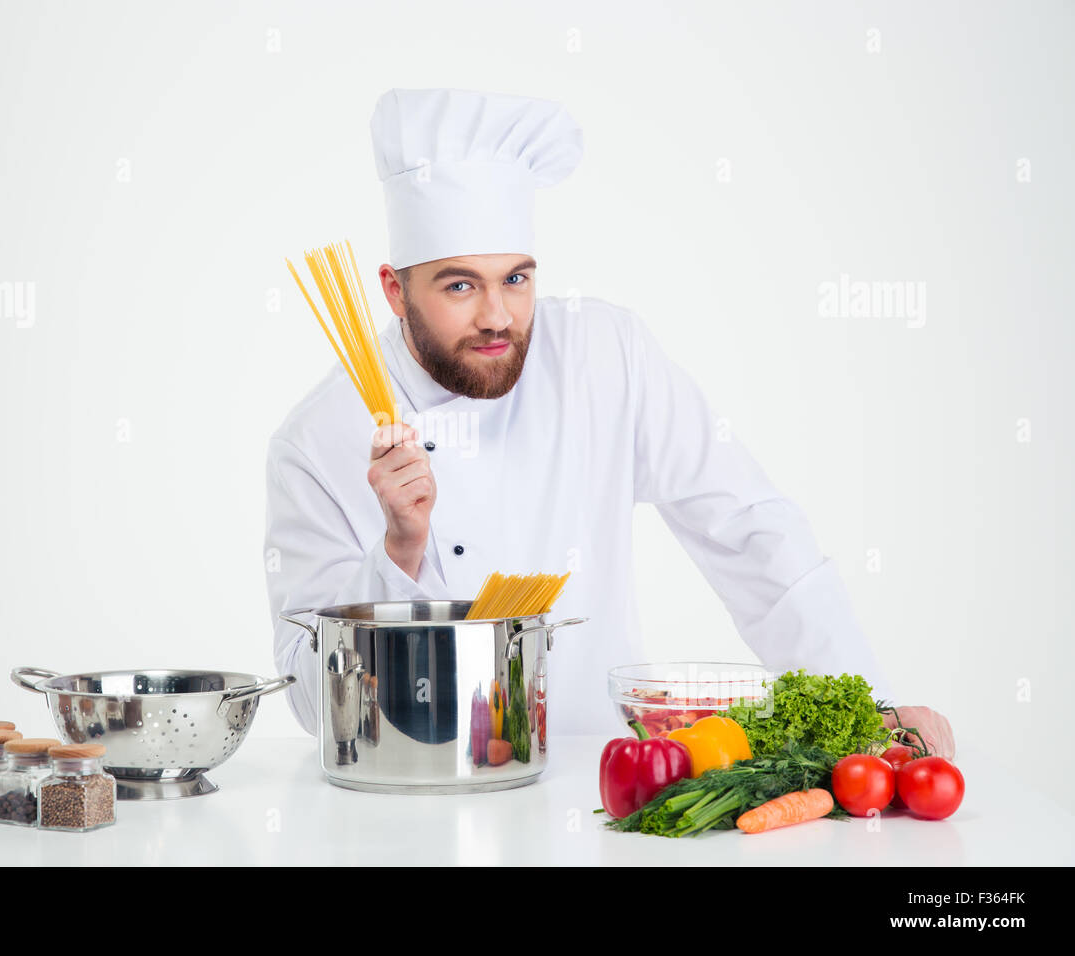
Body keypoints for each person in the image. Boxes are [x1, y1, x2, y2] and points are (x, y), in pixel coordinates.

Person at [264, 87, 953, 756]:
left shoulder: (603, 355)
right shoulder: (318, 439)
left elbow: (748, 530)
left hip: (604, 794)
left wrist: (869, 707)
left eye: (517, 279)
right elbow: (307, 702)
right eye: (460, 285)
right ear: (394, 289)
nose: (498, 317)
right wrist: (397, 554)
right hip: (411, 800)